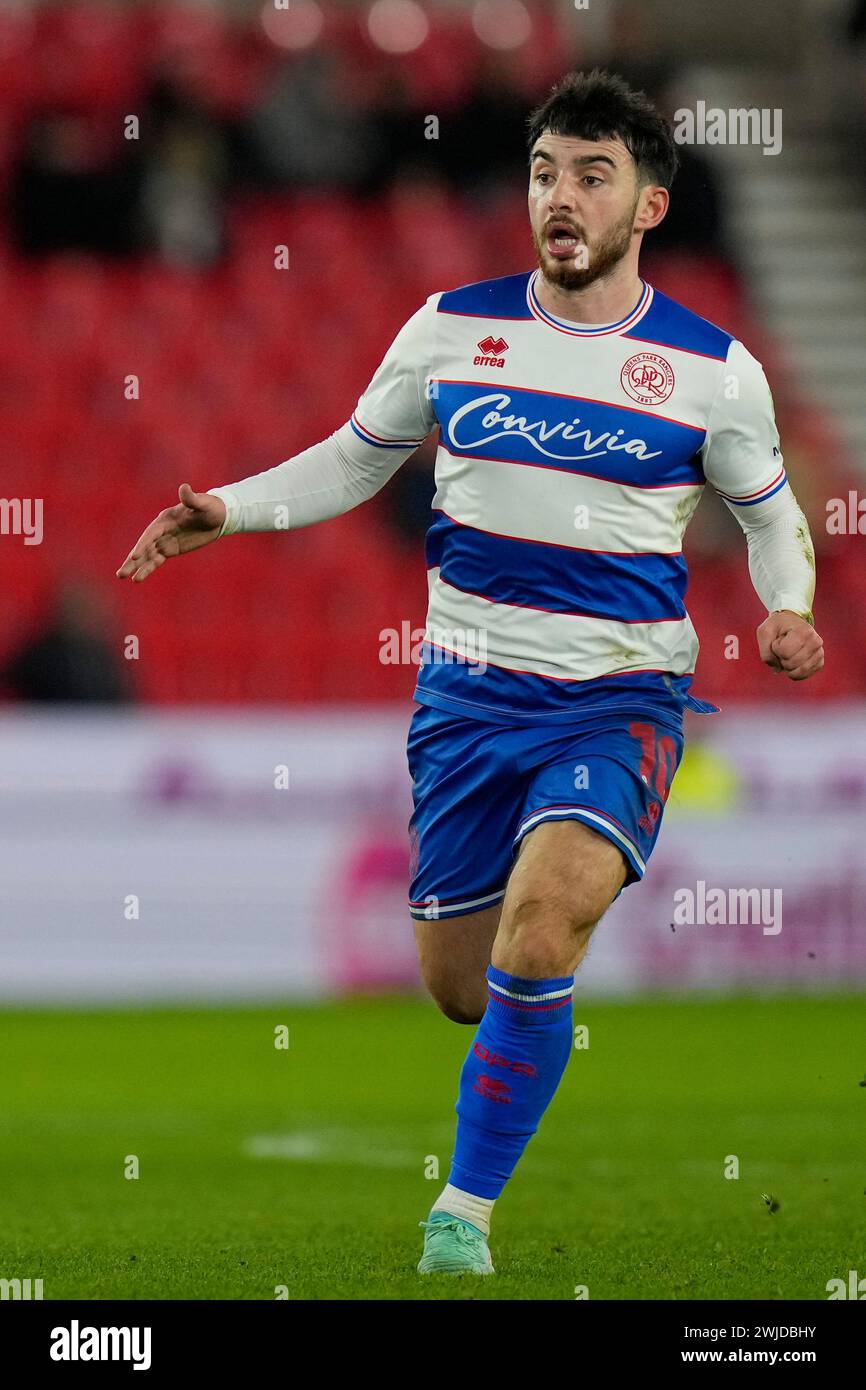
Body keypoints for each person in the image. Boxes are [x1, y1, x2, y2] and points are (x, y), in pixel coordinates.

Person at [116, 70, 824, 1277]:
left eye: (591, 176)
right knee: (460, 983)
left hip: (618, 694)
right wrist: (225, 509)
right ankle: (525, 1002)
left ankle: (464, 1213)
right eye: (546, 172)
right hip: (465, 698)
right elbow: (353, 459)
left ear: (646, 206)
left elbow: (768, 518)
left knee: (541, 929)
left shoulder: (713, 371)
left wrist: (790, 608)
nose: (559, 197)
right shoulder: (450, 328)